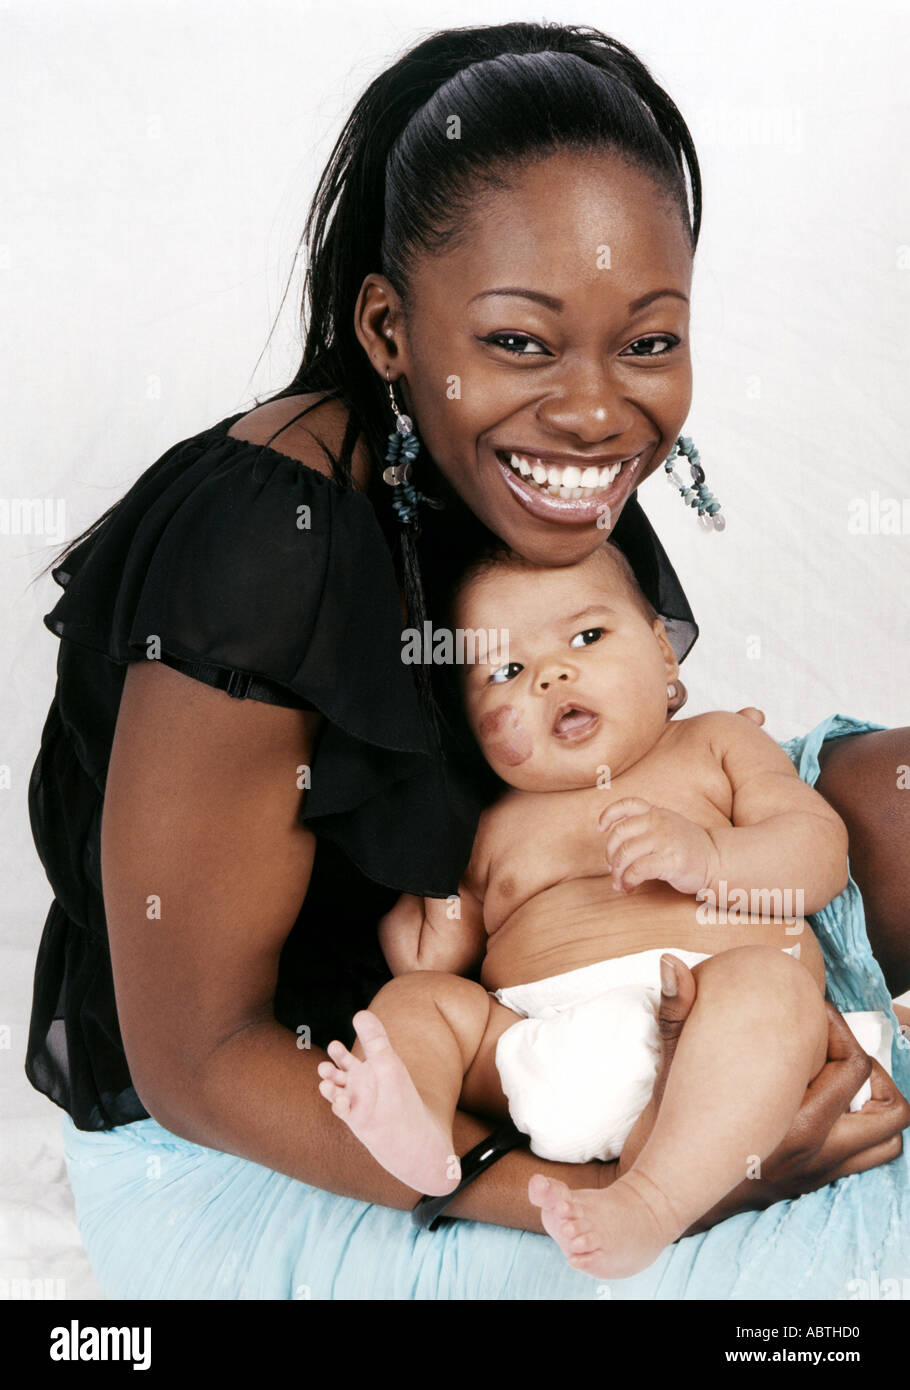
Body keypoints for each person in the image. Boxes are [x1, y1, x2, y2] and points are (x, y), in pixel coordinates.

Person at [25, 22, 910, 1299]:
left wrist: (738, 871)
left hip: (618, 893)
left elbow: (626, 742)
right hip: (325, 1084)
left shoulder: (533, 452)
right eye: (520, 340)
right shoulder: (258, 554)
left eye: (647, 341)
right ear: (388, 329)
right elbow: (200, 1059)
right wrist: (657, 1178)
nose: (599, 411)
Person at [316, 541, 895, 1279]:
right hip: (544, 1055)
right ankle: (420, 1132)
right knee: (419, 1003)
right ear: (468, 726)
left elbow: (818, 857)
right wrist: (415, 871)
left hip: (723, 1041)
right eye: (506, 671)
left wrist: (709, 859)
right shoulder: (487, 824)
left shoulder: (717, 744)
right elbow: (432, 957)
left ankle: (648, 1204)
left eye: (587, 637)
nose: (553, 673)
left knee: (773, 985)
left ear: (663, 654)